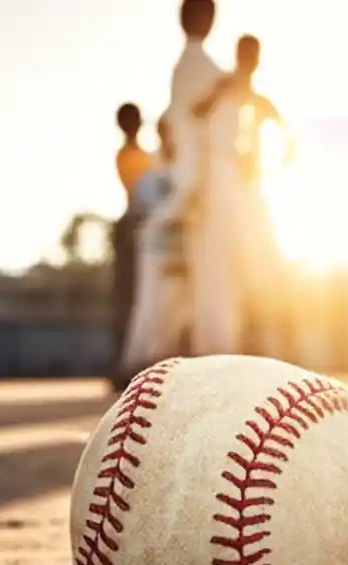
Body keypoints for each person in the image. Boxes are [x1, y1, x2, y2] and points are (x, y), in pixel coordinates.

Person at [197, 35, 296, 361]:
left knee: (258, 265)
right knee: (223, 264)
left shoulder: (258, 100)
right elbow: (197, 114)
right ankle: (223, 344)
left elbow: (286, 135)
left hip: (250, 189)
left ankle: (260, 343)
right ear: (239, 56)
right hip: (223, 186)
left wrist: (274, 161)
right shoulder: (224, 86)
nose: (249, 61)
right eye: (246, 54)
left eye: (254, 55)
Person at [168, 0, 243, 356]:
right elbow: (193, 118)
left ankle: (217, 347)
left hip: (212, 174)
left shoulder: (193, 63)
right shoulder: (194, 63)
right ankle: (213, 350)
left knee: (218, 269)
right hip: (205, 176)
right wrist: (195, 184)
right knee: (211, 269)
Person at [120, 114, 191, 378]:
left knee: (179, 309)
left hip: (180, 247)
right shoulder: (152, 168)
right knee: (151, 305)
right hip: (155, 248)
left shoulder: (185, 165)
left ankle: (169, 364)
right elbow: (143, 205)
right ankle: (139, 365)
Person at [110, 102, 151, 390]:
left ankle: (132, 363)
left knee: (136, 301)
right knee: (129, 300)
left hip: (142, 229)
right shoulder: (129, 155)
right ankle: (125, 364)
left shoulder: (141, 155)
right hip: (133, 230)